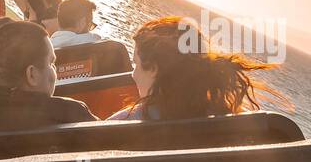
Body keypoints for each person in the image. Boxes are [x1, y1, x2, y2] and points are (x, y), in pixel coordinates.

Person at [109, 16, 287, 121]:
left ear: (154, 69)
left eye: (136, 65)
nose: (133, 75)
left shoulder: (127, 123)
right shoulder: (236, 124)